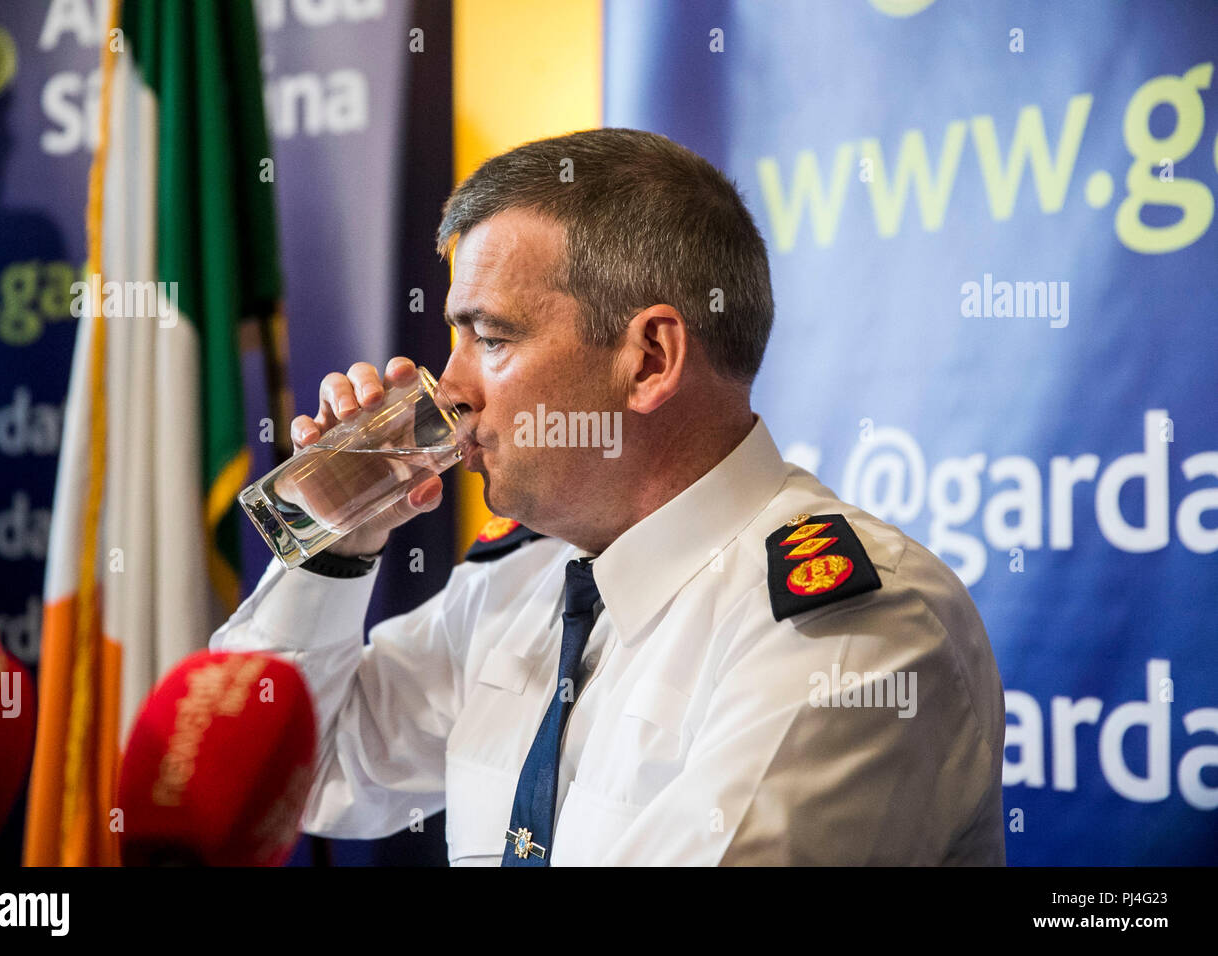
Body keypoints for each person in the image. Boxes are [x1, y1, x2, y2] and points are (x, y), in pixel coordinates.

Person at [209, 128, 1006, 866]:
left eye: (492, 338)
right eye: (456, 338)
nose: (448, 387)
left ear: (650, 359)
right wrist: (337, 544)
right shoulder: (519, 584)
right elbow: (294, 778)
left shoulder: (851, 629)